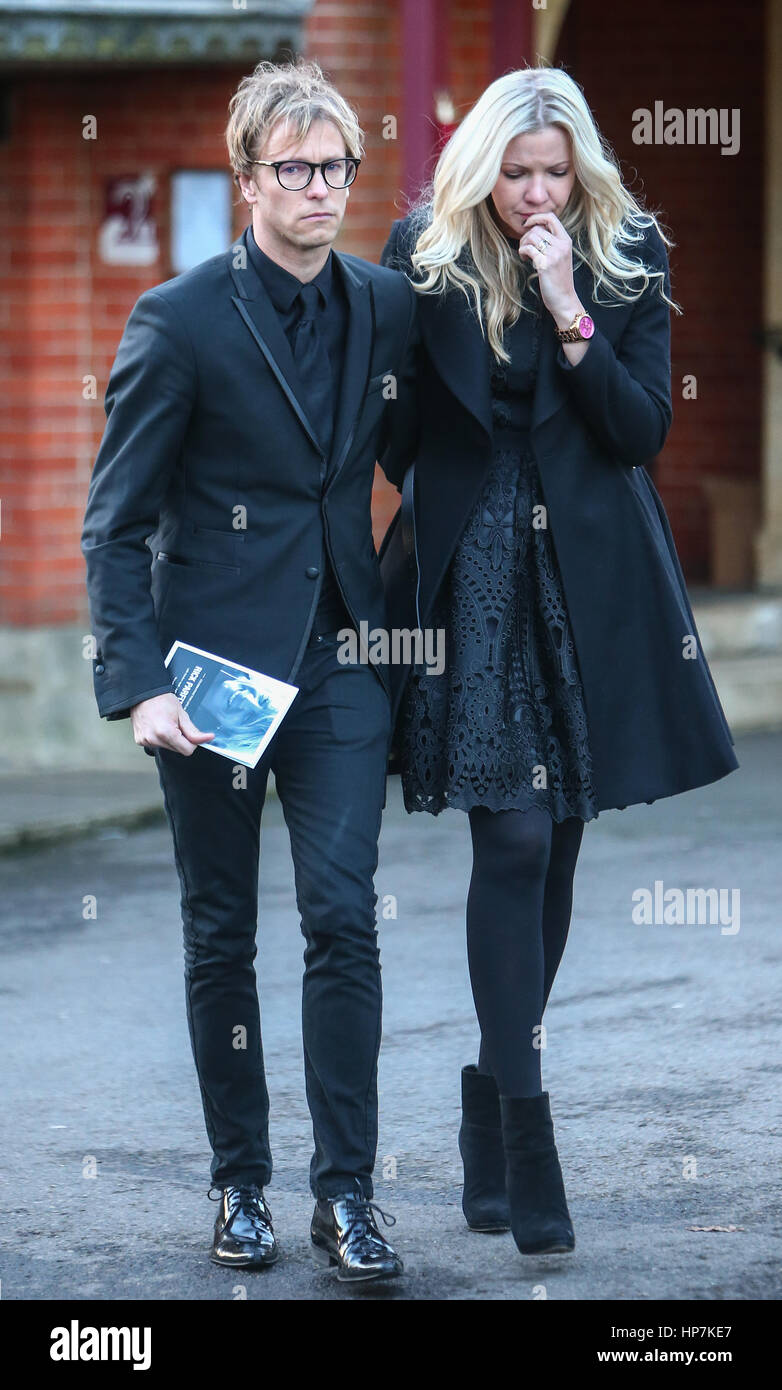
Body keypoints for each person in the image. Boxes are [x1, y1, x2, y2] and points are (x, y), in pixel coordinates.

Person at [378, 63, 739, 1259]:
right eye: (515, 175)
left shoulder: (623, 251)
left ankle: (488, 1095)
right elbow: (392, 438)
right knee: (513, 835)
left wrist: (567, 301)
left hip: (587, 575)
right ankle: (528, 1133)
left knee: (561, 845)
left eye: (553, 174)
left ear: (579, 168)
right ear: (481, 170)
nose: (535, 195)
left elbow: (636, 428)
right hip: (472, 573)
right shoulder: (421, 253)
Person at [80, 57, 418, 1283]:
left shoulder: (385, 305)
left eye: (336, 166)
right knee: (222, 936)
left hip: (336, 661)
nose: (322, 188)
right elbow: (112, 522)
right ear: (247, 178)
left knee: (343, 921)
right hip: (208, 674)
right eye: (296, 168)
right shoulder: (177, 320)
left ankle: (348, 1197)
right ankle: (239, 1187)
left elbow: (444, 432)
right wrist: (137, 683)